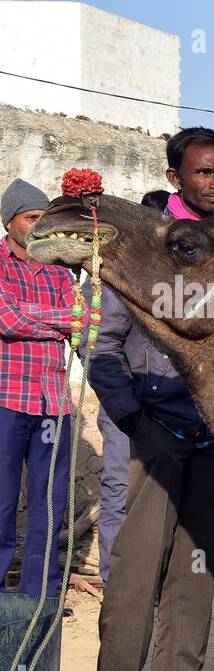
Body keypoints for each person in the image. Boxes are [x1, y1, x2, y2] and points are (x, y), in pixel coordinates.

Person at [84, 127, 214, 671]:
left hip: (212, 433)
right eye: (205, 173)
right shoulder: (144, 246)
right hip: (154, 428)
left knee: (196, 566)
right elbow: (100, 348)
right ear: (176, 176)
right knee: (136, 563)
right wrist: (134, 419)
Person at [89, 190, 172, 583]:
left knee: (164, 496)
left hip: (170, 409)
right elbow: (101, 347)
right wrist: (127, 411)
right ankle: (116, 583)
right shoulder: (119, 276)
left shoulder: (181, 280)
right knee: (121, 491)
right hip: (126, 405)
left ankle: (150, 582)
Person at [0, 179, 74, 600]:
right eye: (32, 217)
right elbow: (5, 321)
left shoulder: (60, 271)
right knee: (2, 506)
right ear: (11, 222)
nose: (40, 225)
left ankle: (40, 598)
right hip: (7, 400)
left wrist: (32, 315)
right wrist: (58, 321)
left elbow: (81, 321)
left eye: (44, 218)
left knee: (49, 510)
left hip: (54, 404)